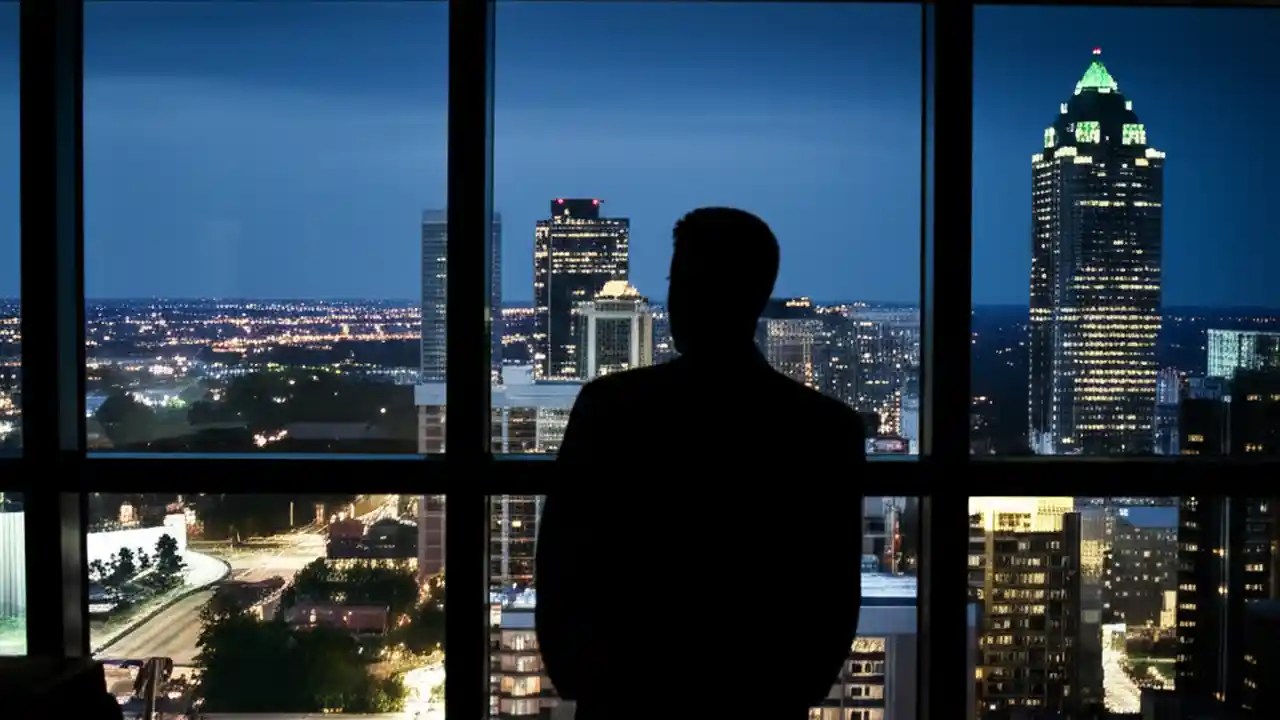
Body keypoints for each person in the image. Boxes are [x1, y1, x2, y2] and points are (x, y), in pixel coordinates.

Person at [536, 207, 865, 720]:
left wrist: (593, 679)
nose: (678, 301)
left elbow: (562, 565)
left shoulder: (611, 409)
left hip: (626, 698)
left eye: (686, 282)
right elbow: (831, 601)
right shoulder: (824, 430)